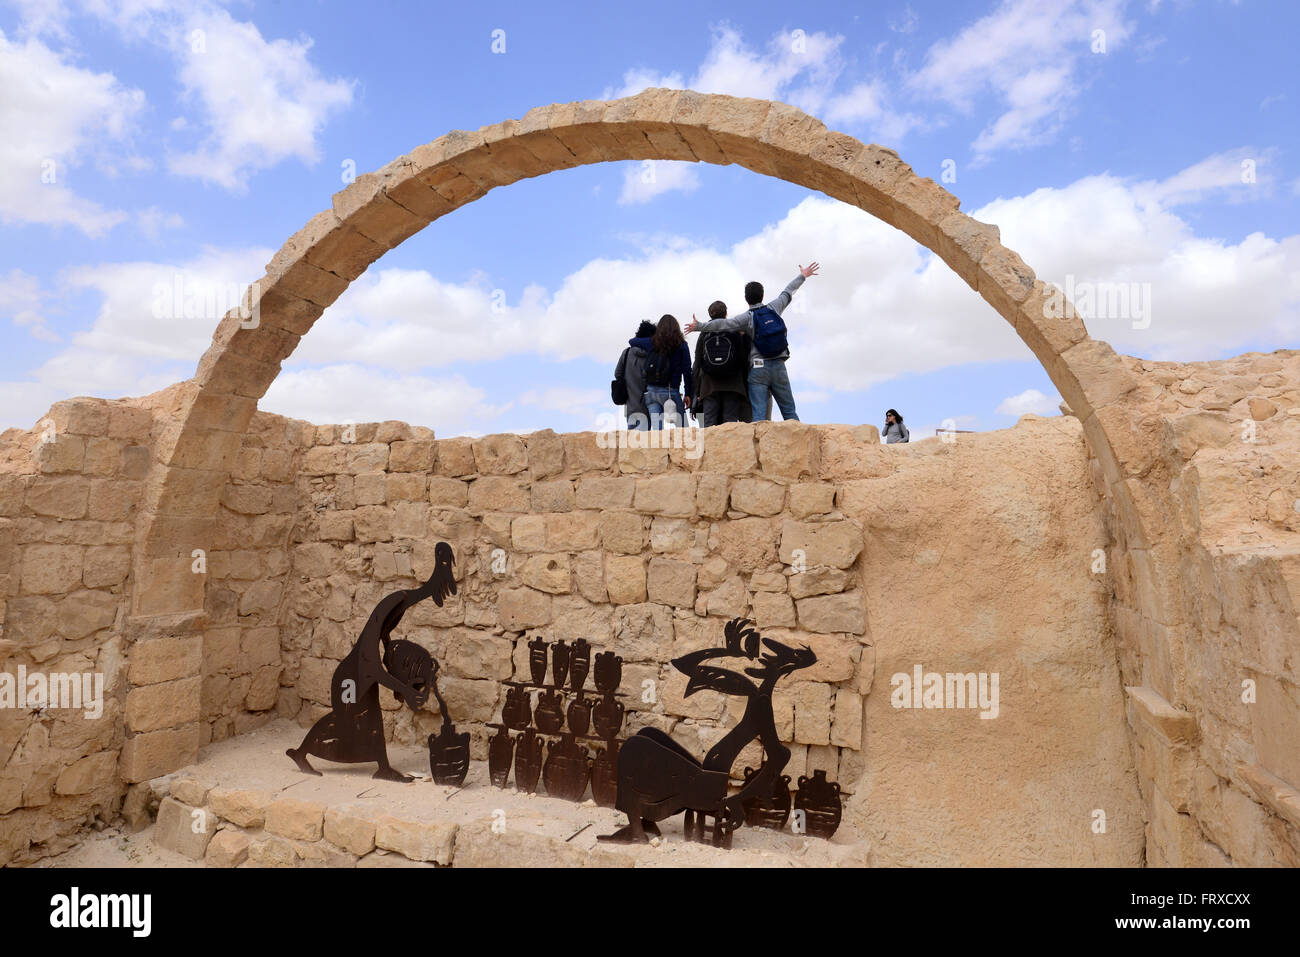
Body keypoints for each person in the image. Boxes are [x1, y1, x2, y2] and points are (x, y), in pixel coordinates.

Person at [685, 262, 819, 422]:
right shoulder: (774, 308)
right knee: (789, 411)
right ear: (763, 295)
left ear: (746, 298)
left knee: (759, 417)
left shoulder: (746, 318)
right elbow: (788, 291)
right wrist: (803, 275)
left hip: (758, 368)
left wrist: (699, 326)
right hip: (779, 366)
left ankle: (759, 438)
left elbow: (723, 324)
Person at [690, 300, 751, 427]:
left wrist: (696, 391)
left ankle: (709, 441)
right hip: (733, 383)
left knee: (709, 423)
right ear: (726, 313)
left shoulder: (705, 332)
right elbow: (742, 357)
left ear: (710, 314)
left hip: (709, 385)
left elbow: (697, 362)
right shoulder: (734, 330)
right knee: (730, 421)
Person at [629, 314, 693, 430]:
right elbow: (687, 371)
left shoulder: (652, 342)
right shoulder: (682, 345)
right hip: (671, 391)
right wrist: (688, 393)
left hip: (651, 392)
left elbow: (632, 341)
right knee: (684, 430)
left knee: (657, 431)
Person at [614, 320, 657, 430]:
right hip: (647, 407)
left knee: (632, 439)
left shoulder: (626, 353)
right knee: (644, 439)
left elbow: (617, 374)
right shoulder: (653, 356)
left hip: (630, 407)